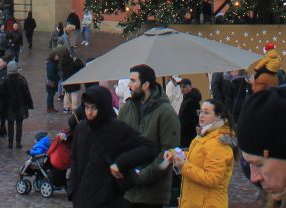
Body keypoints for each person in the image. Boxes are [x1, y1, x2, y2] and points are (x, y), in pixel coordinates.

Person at [69, 84, 158, 208]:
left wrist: (121, 163)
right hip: (82, 200)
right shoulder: (81, 128)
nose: (89, 112)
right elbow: (75, 159)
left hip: (108, 200)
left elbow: (149, 147)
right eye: (86, 107)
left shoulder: (117, 128)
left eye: (94, 108)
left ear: (103, 107)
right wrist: (73, 192)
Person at [120, 64, 181, 208]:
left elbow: (169, 152)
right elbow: (118, 140)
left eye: (133, 81)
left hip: (152, 195)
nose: (129, 85)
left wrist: (142, 175)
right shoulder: (127, 108)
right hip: (127, 190)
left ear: (145, 84)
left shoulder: (165, 112)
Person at [174, 97, 235, 208]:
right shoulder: (204, 135)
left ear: (218, 116)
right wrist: (175, 154)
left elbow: (212, 178)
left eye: (206, 112)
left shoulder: (218, 142)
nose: (201, 115)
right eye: (200, 111)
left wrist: (184, 167)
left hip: (209, 203)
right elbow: (197, 157)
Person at [0, 59, 34, 148]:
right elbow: (27, 93)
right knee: (19, 124)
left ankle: (10, 142)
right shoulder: (22, 79)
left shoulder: (4, 80)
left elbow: (1, 95)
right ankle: (18, 142)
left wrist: (1, 106)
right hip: (20, 105)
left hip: (9, 106)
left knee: (10, 124)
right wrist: (29, 103)